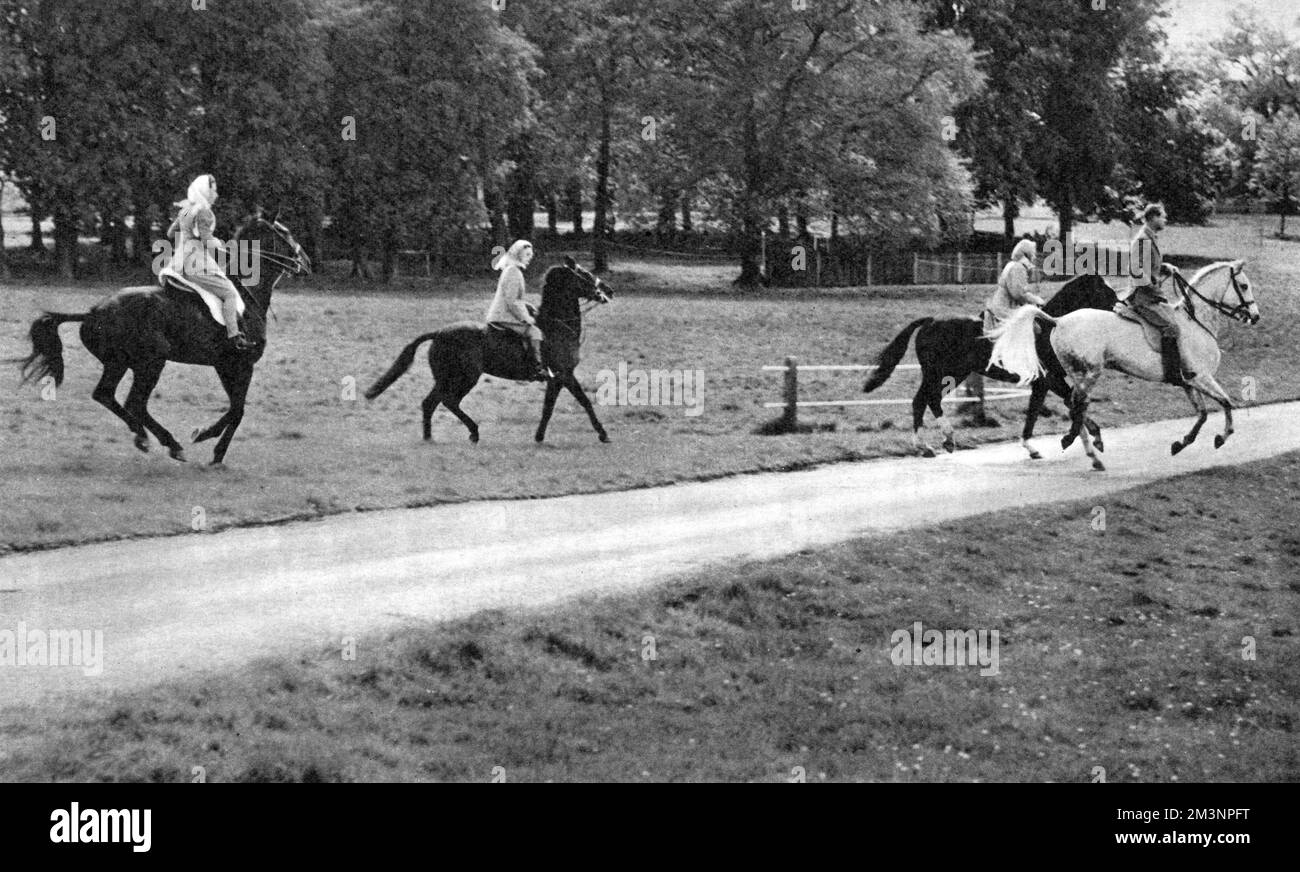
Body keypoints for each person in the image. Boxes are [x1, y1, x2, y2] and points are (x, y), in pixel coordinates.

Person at [165, 174, 253, 352]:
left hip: (179, 262)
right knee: (229, 293)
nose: (216, 194)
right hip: (196, 263)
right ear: (205, 191)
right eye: (213, 190)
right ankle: (235, 336)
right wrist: (222, 247)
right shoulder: (204, 211)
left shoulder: (187, 209)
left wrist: (186, 242)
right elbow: (206, 240)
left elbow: (170, 233)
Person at [1124, 202, 1194, 381]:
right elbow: (1135, 269)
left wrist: (1164, 267)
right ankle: (1172, 373)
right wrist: (1152, 287)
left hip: (1151, 296)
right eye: (1162, 216)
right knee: (1171, 327)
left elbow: (1149, 264)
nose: (1165, 219)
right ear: (1153, 218)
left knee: (1176, 321)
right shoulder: (1142, 239)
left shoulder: (1151, 237)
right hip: (1142, 299)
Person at [486, 239, 549, 381]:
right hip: (503, 316)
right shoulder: (513, 272)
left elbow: (515, 298)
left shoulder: (512, 270)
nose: (529, 258)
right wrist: (526, 319)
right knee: (535, 331)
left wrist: (528, 306)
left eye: (530, 255)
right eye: (527, 255)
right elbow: (512, 302)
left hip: (504, 312)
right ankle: (537, 369)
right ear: (518, 255)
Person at [983, 237, 1045, 332]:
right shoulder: (1018, 268)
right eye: (1033, 253)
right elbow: (1018, 294)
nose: (1035, 256)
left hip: (1002, 306)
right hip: (1005, 309)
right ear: (1027, 254)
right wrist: (1037, 300)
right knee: (1036, 329)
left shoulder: (1013, 264)